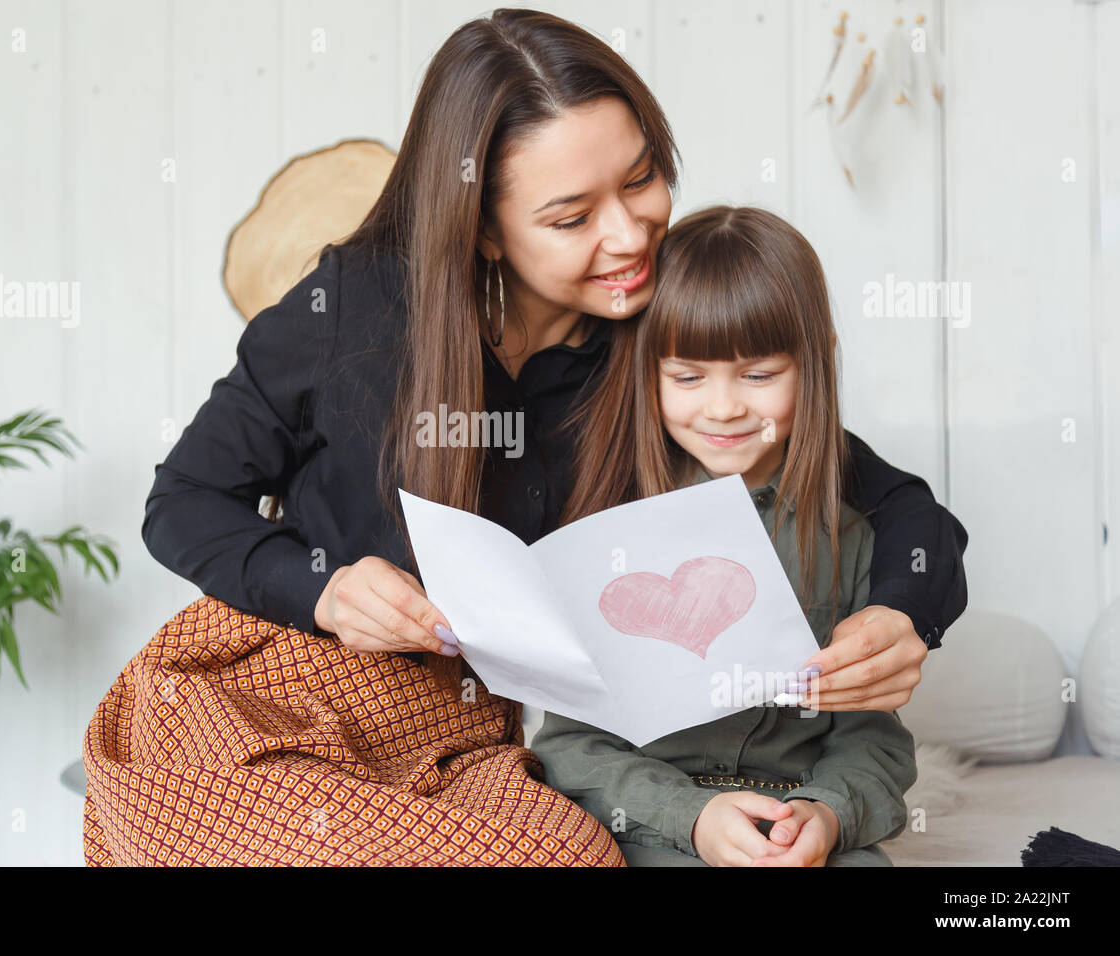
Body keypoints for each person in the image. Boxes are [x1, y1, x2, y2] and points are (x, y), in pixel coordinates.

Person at [83, 9, 964, 866]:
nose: (628, 234)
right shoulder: (350, 306)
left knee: (565, 856)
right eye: (572, 217)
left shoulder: (658, 341)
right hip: (275, 691)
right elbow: (183, 501)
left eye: (641, 177)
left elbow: (888, 499)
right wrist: (324, 590)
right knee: (263, 825)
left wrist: (900, 611)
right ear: (484, 232)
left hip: (464, 740)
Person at [532, 204, 921, 866]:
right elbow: (568, 747)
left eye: (760, 375)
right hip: (655, 822)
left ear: (815, 364)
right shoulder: (607, 531)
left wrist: (826, 814)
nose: (722, 407)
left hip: (794, 819)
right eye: (687, 377)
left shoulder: (853, 536)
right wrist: (692, 817)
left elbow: (873, 738)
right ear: (648, 371)